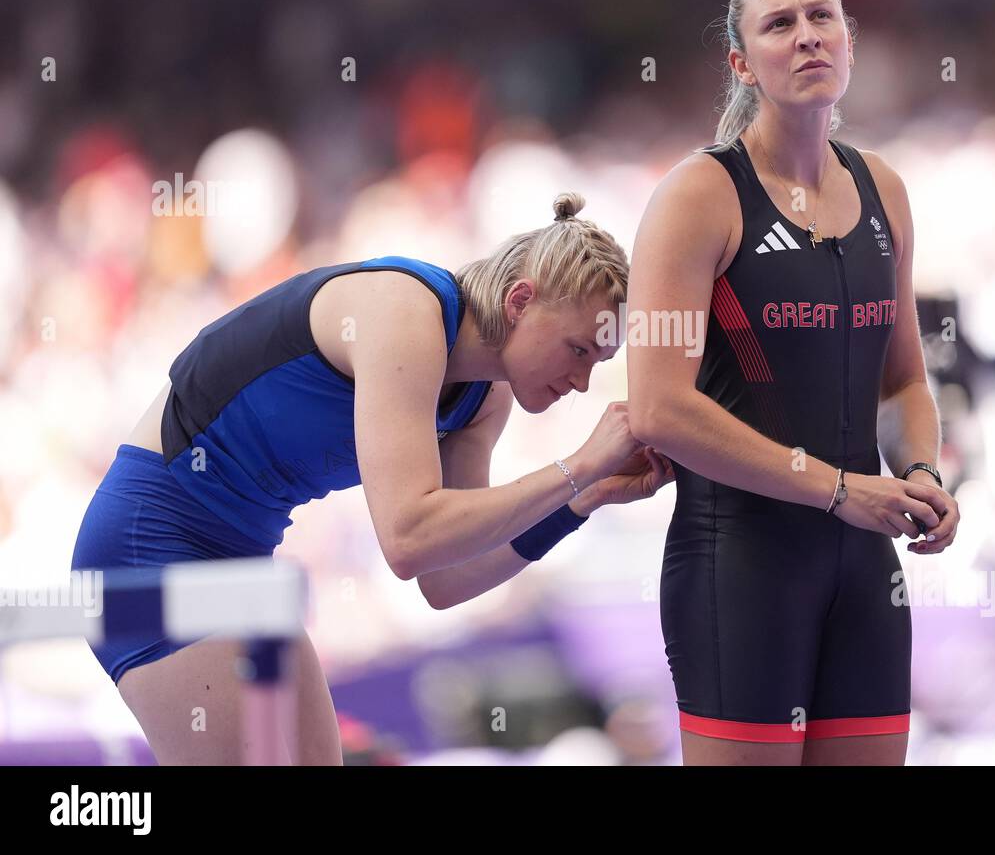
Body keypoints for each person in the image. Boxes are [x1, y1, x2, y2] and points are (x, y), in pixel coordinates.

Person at [70, 192, 673, 764]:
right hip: (145, 548)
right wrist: (577, 467)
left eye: (597, 362)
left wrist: (582, 500)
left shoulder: (485, 398)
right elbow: (409, 539)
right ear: (519, 302)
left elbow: (446, 578)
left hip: (240, 567)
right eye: (577, 351)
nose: (583, 383)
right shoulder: (405, 311)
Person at [626, 0, 960, 766]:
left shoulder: (884, 189)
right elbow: (659, 409)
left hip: (863, 562)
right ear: (741, 63)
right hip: (741, 561)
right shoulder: (698, 197)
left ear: (849, 43)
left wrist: (921, 472)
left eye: (823, 18)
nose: (807, 35)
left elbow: (904, 380)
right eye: (779, 24)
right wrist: (839, 489)